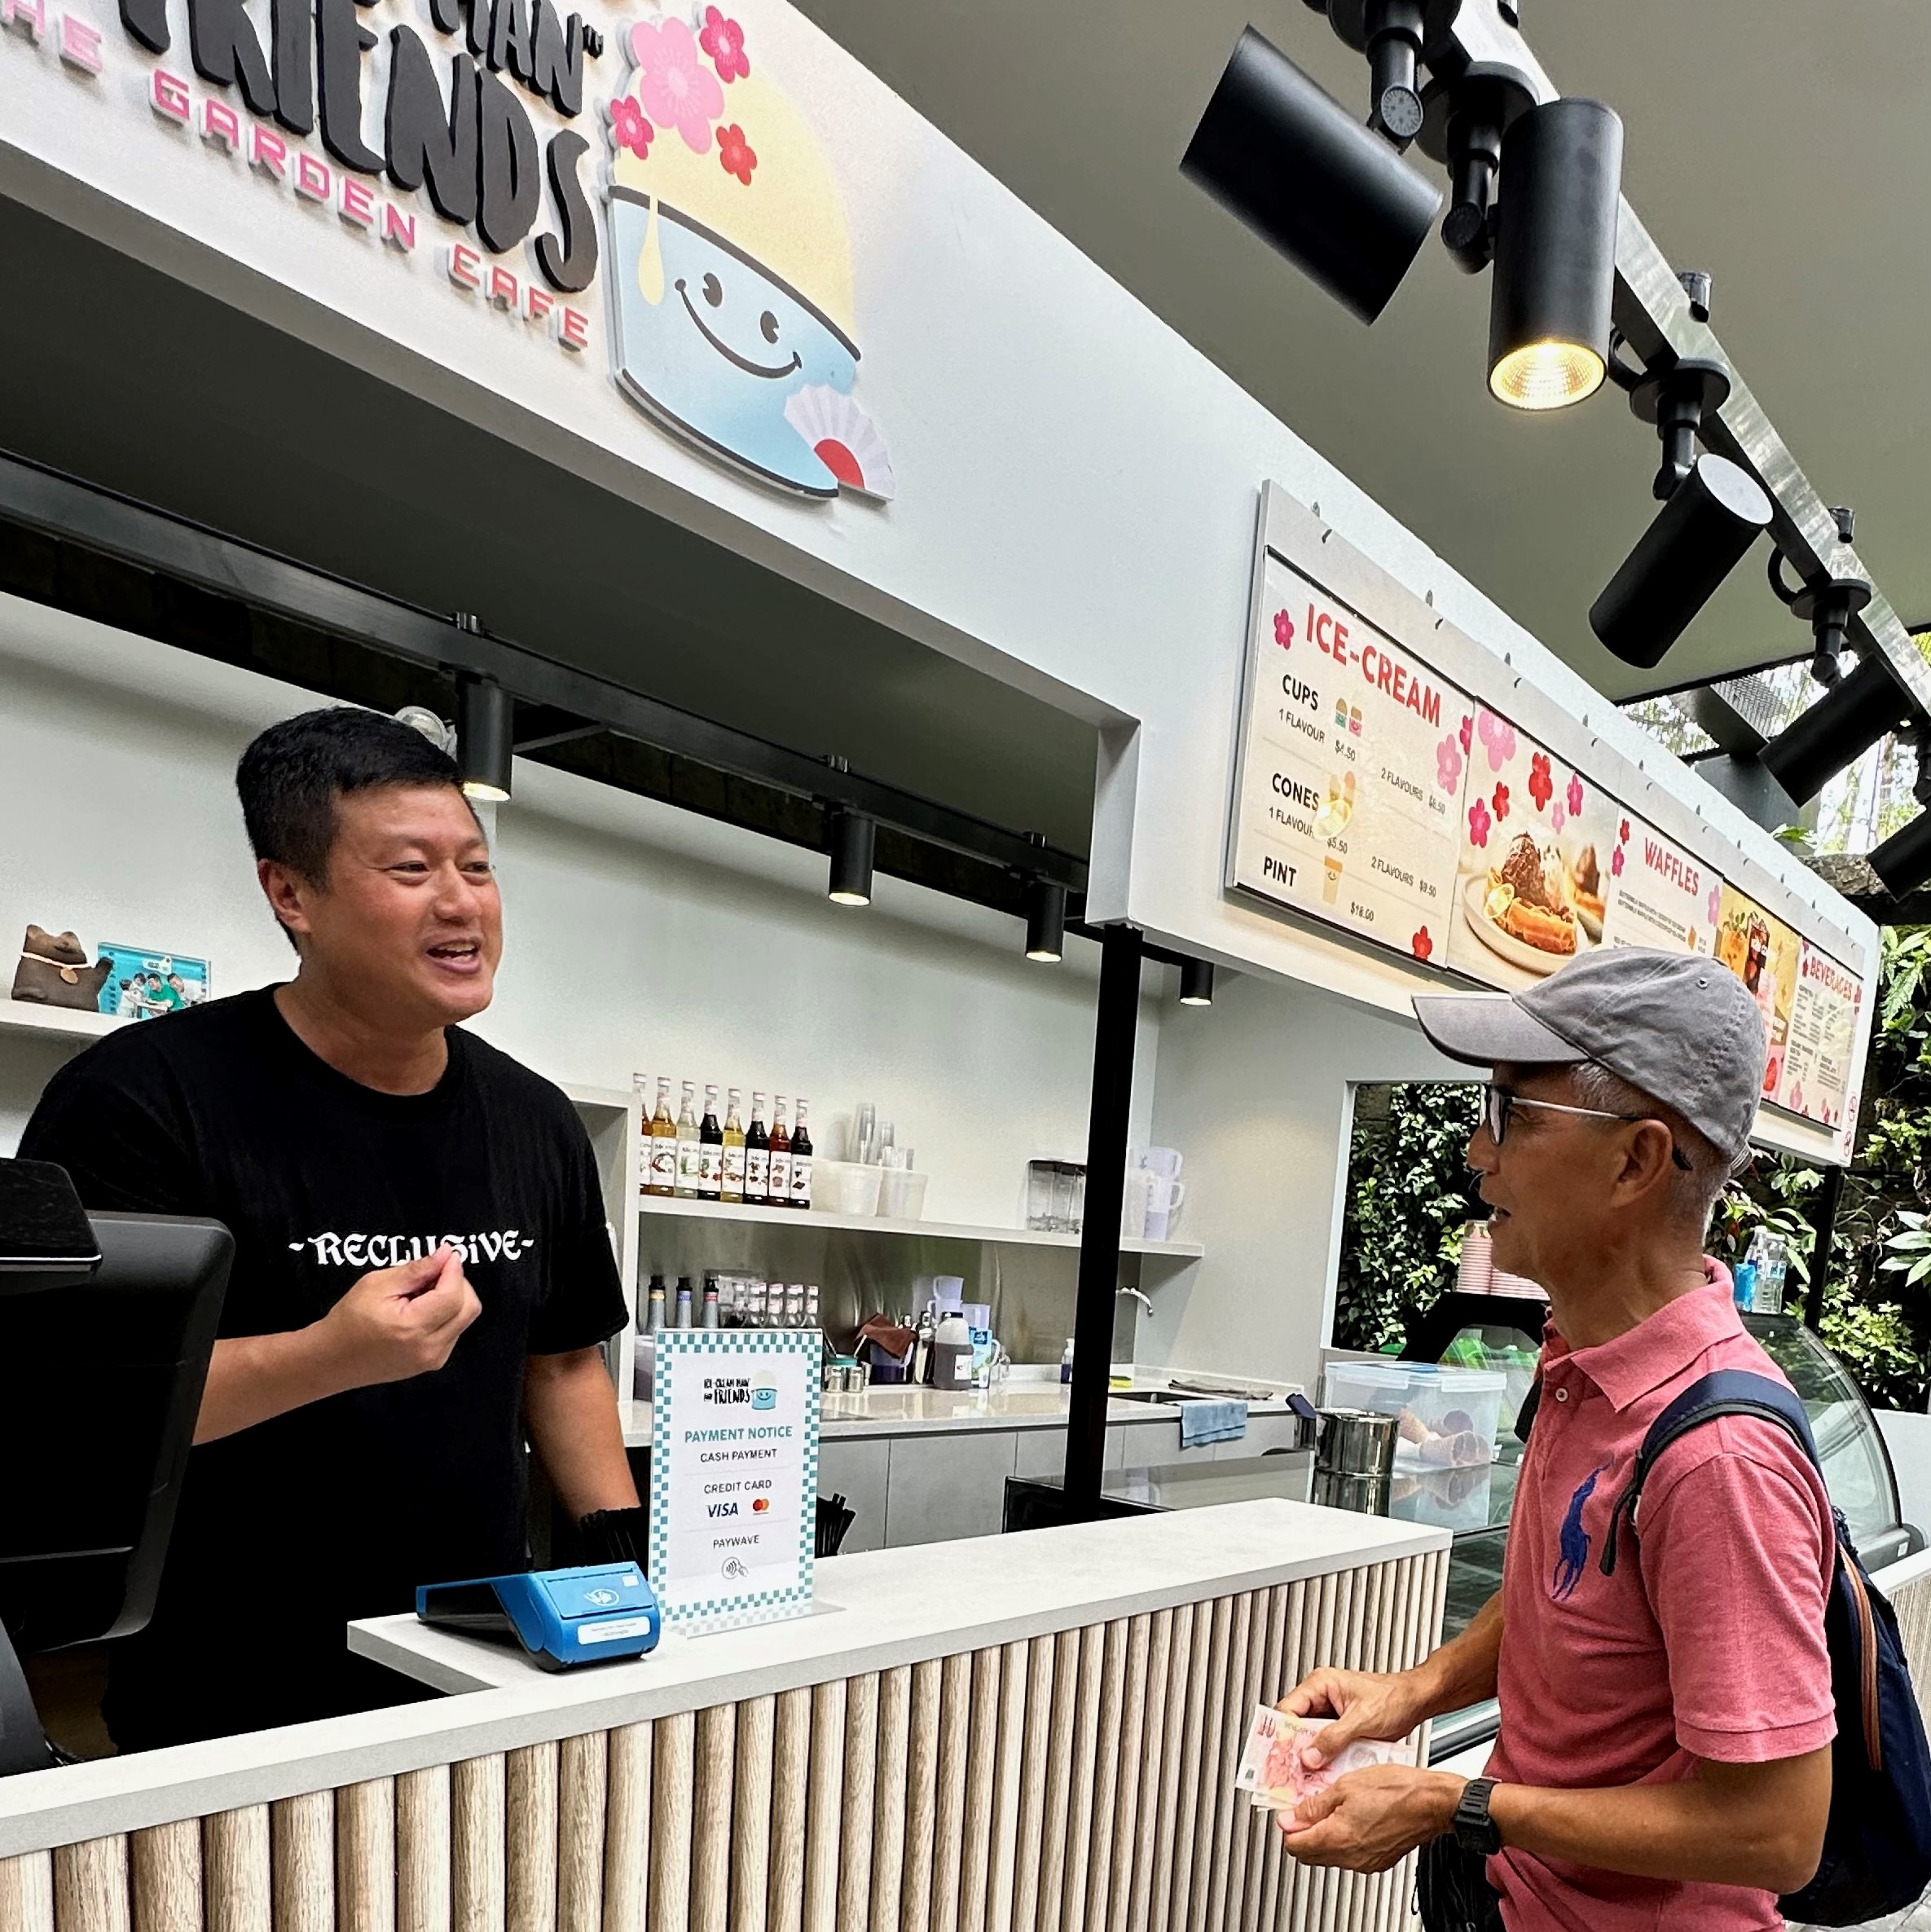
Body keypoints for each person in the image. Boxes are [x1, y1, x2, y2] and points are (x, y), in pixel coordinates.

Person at [22, 707, 643, 1748]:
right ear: (290, 892)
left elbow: (565, 1363)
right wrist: (329, 1356)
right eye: (411, 870)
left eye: (477, 868)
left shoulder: (535, 1121)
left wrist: (621, 1585)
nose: (462, 904)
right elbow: (84, 1416)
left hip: (483, 1673)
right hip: (231, 1687)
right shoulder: (140, 1099)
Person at [1276, 948, 1835, 1931]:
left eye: (1513, 1116)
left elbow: (1777, 1831)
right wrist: (1413, 1693)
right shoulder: (1580, 1358)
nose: (1477, 1153)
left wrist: (1457, 1800)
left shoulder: (1718, 1454)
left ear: (1637, 1159)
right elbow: (1560, 1598)